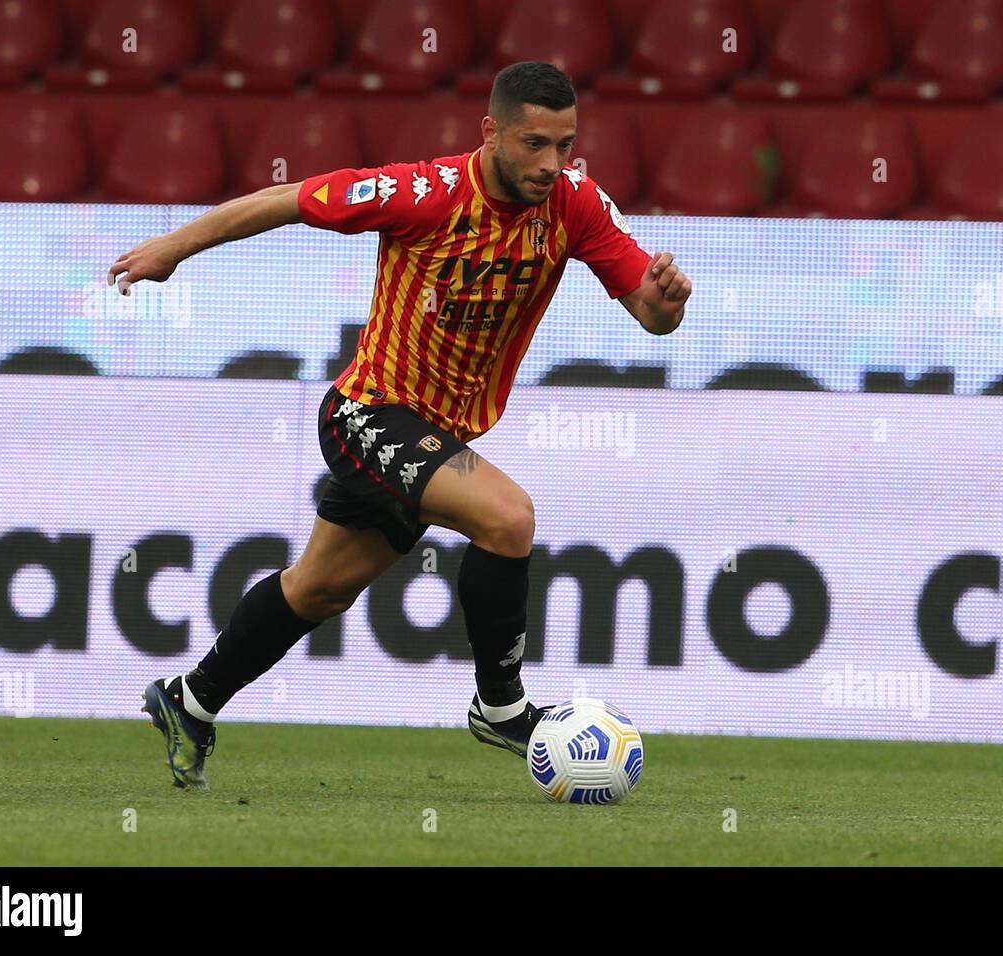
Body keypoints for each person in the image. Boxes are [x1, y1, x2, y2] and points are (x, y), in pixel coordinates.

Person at [107, 61, 692, 791]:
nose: (552, 164)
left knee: (315, 591)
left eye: (565, 145)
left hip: (438, 437)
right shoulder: (423, 194)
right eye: (534, 144)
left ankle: (189, 702)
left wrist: (666, 306)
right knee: (508, 519)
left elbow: (650, 311)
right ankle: (501, 707)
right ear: (491, 133)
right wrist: (172, 248)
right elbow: (290, 199)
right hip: (368, 413)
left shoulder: (575, 205)